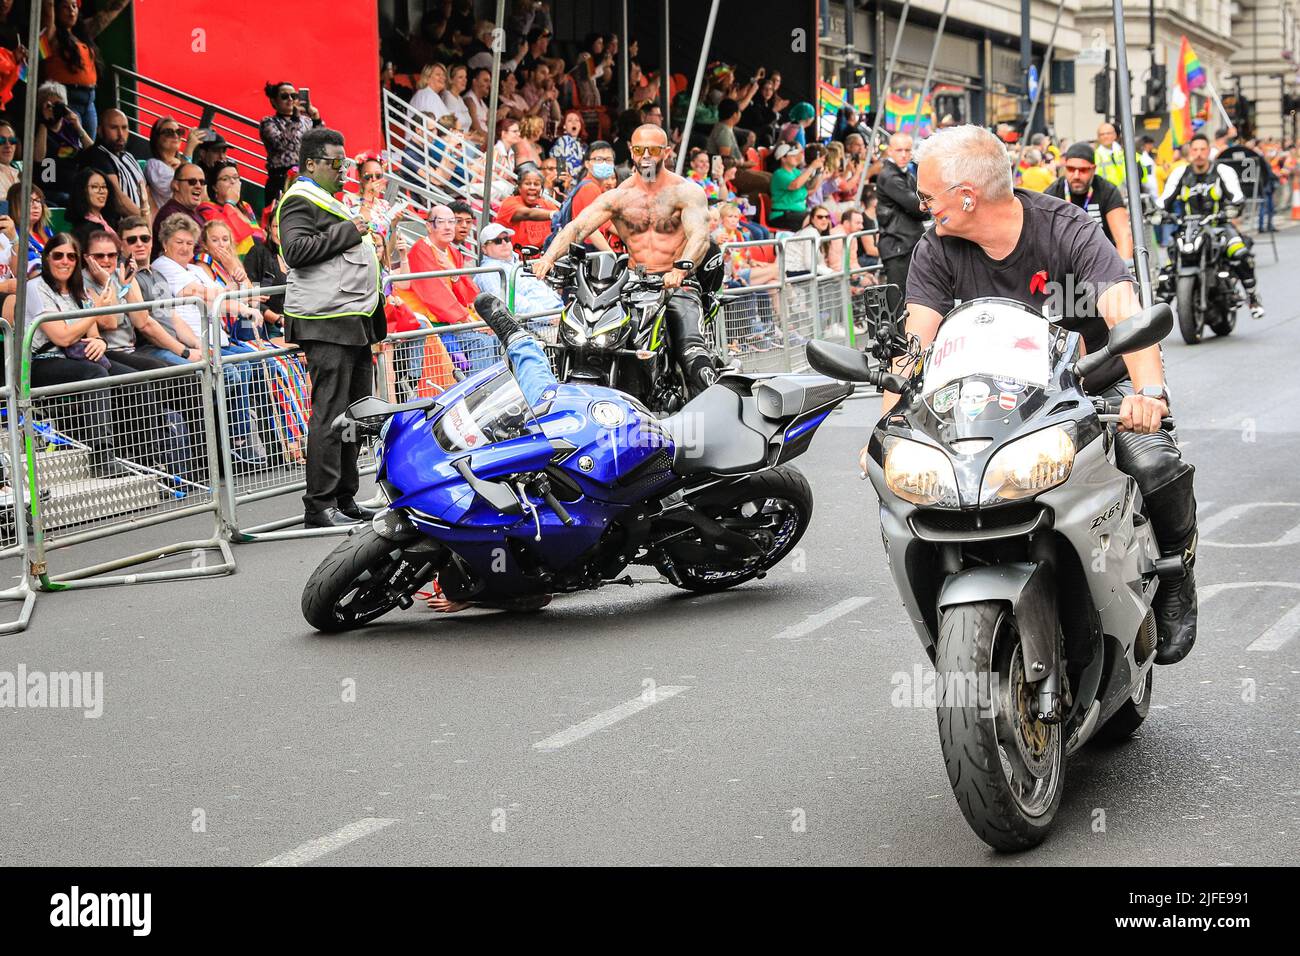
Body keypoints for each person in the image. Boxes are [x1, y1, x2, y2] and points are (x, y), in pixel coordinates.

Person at [880, 124, 1199, 666]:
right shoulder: (934, 248)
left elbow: (1125, 313)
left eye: (928, 193)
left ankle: (1175, 568)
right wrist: (886, 426)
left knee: (1152, 461)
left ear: (966, 194)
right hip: (981, 397)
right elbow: (915, 346)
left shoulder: (1069, 229)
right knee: (921, 488)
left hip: (1092, 381)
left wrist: (1149, 394)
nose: (922, 203)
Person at [533, 124, 723, 396]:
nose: (646, 155)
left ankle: (712, 407)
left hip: (676, 283)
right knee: (589, 337)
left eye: (654, 150)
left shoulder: (686, 192)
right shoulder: (619, 196)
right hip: (634, 285)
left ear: (666, 152)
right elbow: (577, 227)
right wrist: (547, 259)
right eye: (639, 149)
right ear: (631, 152)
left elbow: (699, 237)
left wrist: (682, 269)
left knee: (689, 350)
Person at [276, 127, 386, 527]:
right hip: (325, 322)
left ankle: (345, 497)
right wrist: (350, 230)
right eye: (337, 163)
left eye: (348, 162)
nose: (345, 171)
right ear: (311, 164)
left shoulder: (327, 199)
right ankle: (319, 505)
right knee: (330, 415)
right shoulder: (299, 199)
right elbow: (296, 251)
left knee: (354, 416)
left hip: (350, 320)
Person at [23, 232, 133, 477]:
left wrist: (101, 343)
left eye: (71, 256)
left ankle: (141, 452)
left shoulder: (78, 290)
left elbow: (97, 332)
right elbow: (61, 337)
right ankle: (102, 457)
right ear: (47, 258)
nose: (65, 261)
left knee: (133, 377)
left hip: (75, 357)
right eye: (58, 255)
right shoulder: (35, 288)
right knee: (94, 373)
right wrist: (96, 312)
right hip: (42, 363)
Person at [1159, 132, 1262, 319]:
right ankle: (1156, 315)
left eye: (1202, 149)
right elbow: (1164, 199)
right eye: (1195, 149)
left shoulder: (1222, 170)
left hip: (1219, 226)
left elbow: (1237, 196)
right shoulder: (1180, 172)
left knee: (1241, 254)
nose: (1199, 153)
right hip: (1188, 229)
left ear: (1209, 151)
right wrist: (1155, 211)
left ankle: (1253, 297)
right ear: (1190, 151)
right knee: (1168, 267)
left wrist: (1234, 207)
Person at [39, 0, 134, 133]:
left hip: (89, 100)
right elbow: (48, 6)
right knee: (71, 145)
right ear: (57, 11)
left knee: (89, 146)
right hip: (66, 99)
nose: (71, 11)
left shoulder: (82, 33)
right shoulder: (52, 34)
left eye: (74, 6)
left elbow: (110, 12)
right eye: (65, 7)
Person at [1044, 141, 1133, 261]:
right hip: (1066, 264)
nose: (1076, 175)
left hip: (1103, 262)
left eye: (1083, 170)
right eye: (1071, 169)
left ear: (1093, 169)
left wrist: (1124, 273)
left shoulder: (1107, 190)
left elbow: (1123, 236)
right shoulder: (1052, 194)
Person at [874, 132, 927, 313]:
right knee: (900, 303)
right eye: (899, 150)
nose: (904, 154)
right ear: (890, 150)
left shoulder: (905, 174)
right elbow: (917, 205)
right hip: (897, 246)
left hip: (906, 244)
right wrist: (925, 207)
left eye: (907, 150)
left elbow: (921, 206)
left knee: (911, 299)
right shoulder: (890, 176)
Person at [473, 222, 562, 325]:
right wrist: (548, 318)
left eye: (507, 239)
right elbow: (509, 302)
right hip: (538, 324)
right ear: (484, 248)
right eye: (497, 241)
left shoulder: (517, 263)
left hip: (556, 313)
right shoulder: (488, 272)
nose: (504, 243)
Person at [259, 81, 322, 209]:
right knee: (278, 219)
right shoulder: (268, 122)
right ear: (274, 101)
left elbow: (320, 141)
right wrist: (294, 118)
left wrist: (315, 116)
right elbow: (280, 143)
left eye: (294, 96)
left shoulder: (305, 121)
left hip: (304, 179)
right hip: (280, 180)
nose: (290, 99)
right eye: (284, 96)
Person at [79, 108, 150, 222]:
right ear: (100, 130)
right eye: (114, 128)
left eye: (124, 127)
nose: (120, 134)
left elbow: (147, 193)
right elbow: (119, 201)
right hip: (114, 230)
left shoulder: (128, 156)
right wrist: (146, 222)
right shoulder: (97, 155)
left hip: (140, 228)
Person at [31, 80, 92, 204]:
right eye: (50, 106)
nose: (54, 109)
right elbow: (38, 157)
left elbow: (93, 153)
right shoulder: (37, 127)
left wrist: (78, 127)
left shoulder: (71, 127)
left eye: (58, 105)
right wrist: (44, 122)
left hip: (73, 189)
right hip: (47, 191)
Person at [145, 115, 205, 215]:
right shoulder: (153, 165)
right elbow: (180, 188)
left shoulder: (181, 163)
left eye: (179, 132)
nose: (175, 135)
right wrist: (189, 149)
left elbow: (201, 195)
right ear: (157, 138)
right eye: (168, 132)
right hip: (171, 220)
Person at [494, 164, 557, 250]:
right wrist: (553, 214)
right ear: (519, 187)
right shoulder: (509, 202)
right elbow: (528, 214)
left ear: (541, 188)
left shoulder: (548, 205)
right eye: (527, 183)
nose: (532, 187)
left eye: (536, 184)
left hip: (541, 260)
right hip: (511, 260)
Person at [769, 142, 822, 231]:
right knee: (816, 220)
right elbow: (795, 185)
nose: (796, 157)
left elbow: (810, 186)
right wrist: (811, 167)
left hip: (797, 213)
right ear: (783, 158)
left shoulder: (796, 172)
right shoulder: (779, 174)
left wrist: (818, 172)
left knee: (824, 215)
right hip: (782, 215)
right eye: (792, 155)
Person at [151, 162, 205, 248]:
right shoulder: (171, 214)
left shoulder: (196, 213)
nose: (198, 186)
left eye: (202, 182)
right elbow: (186, 252)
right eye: (192, 181)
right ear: (175, 185)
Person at [64, 166, 118, 246]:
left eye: (104, 187)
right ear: (83, 191)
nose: (101, 191)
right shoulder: (81, 231)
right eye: (95, 187)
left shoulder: (111, 223)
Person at [1093, 122, 1128, 191]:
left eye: (1108, 133)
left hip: (1125, 194)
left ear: (1115, 135)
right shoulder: (1095, 156)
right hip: (1106, 196)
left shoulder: (1124, 154)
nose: (1105, 136)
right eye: (1102, 134)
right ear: (1098, 137)